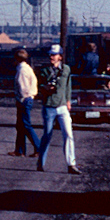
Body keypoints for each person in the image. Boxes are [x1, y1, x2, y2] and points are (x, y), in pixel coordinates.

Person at [36, 43, 78, 174]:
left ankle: (71, 164)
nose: (51, 57)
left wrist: (68, 100)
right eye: (50, 55)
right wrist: (45, 87)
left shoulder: (66, 69)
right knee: (47, 134)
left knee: (68, 134)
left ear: (60, 56)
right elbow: (39, 85)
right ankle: (41, 162)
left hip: (62, 106)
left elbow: (68, 86)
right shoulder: (44, 70)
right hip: (49, 106)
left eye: (54, 55)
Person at [10, 46, 39, 157]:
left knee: (26, 125)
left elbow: (23, 87)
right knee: (20, 125)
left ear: (17, 59)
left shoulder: (22, 70)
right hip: (28, 98)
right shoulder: (27, 68)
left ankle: (38, 147)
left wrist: (21, 98)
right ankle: (19, 150)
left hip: (24, 99)